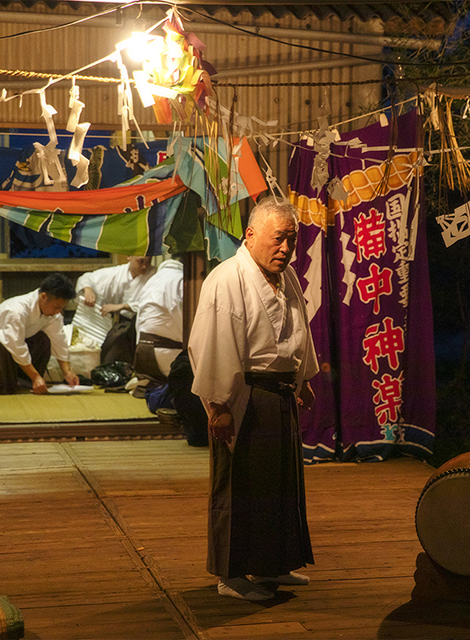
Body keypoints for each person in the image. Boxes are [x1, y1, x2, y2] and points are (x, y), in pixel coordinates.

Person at [188, 198, 319, 602]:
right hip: (244, 397)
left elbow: (297, 329)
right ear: (250, 234)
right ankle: (230, 574)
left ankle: (270, 564)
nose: (286, 248)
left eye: (291, 240)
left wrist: (301, 378)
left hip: (280, 392)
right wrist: (218, 406)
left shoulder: (287, 276)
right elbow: (212, 344)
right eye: (278, 239)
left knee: (278, 486)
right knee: (239, 487)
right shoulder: (227, 279)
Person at [0, 273, 79, 395]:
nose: (58, 312)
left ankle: (24, 382)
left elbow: (59, 341)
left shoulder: (53, 315)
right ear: (43, 296)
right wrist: (35, 376)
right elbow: (15, 345)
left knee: (43, 339)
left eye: (61, 308)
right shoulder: (18, 310)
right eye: (56, 307)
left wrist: (67, 372)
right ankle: (1, 385)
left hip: (13, 346)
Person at [74, 256, 154, 365]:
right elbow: (86, 278)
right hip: (117, 322)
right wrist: (88, 290)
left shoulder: (155, 275)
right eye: (141, 261)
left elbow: (151, 302)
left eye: (148, 262)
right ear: (129, 256)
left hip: (141, 322)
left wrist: (122, 306)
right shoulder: (117, 273)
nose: (144, 266)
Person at [133, 256, 184, 384]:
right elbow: (180, 313)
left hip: (142, 348)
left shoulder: (153, 279)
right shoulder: (179, 278)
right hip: (165, 350)